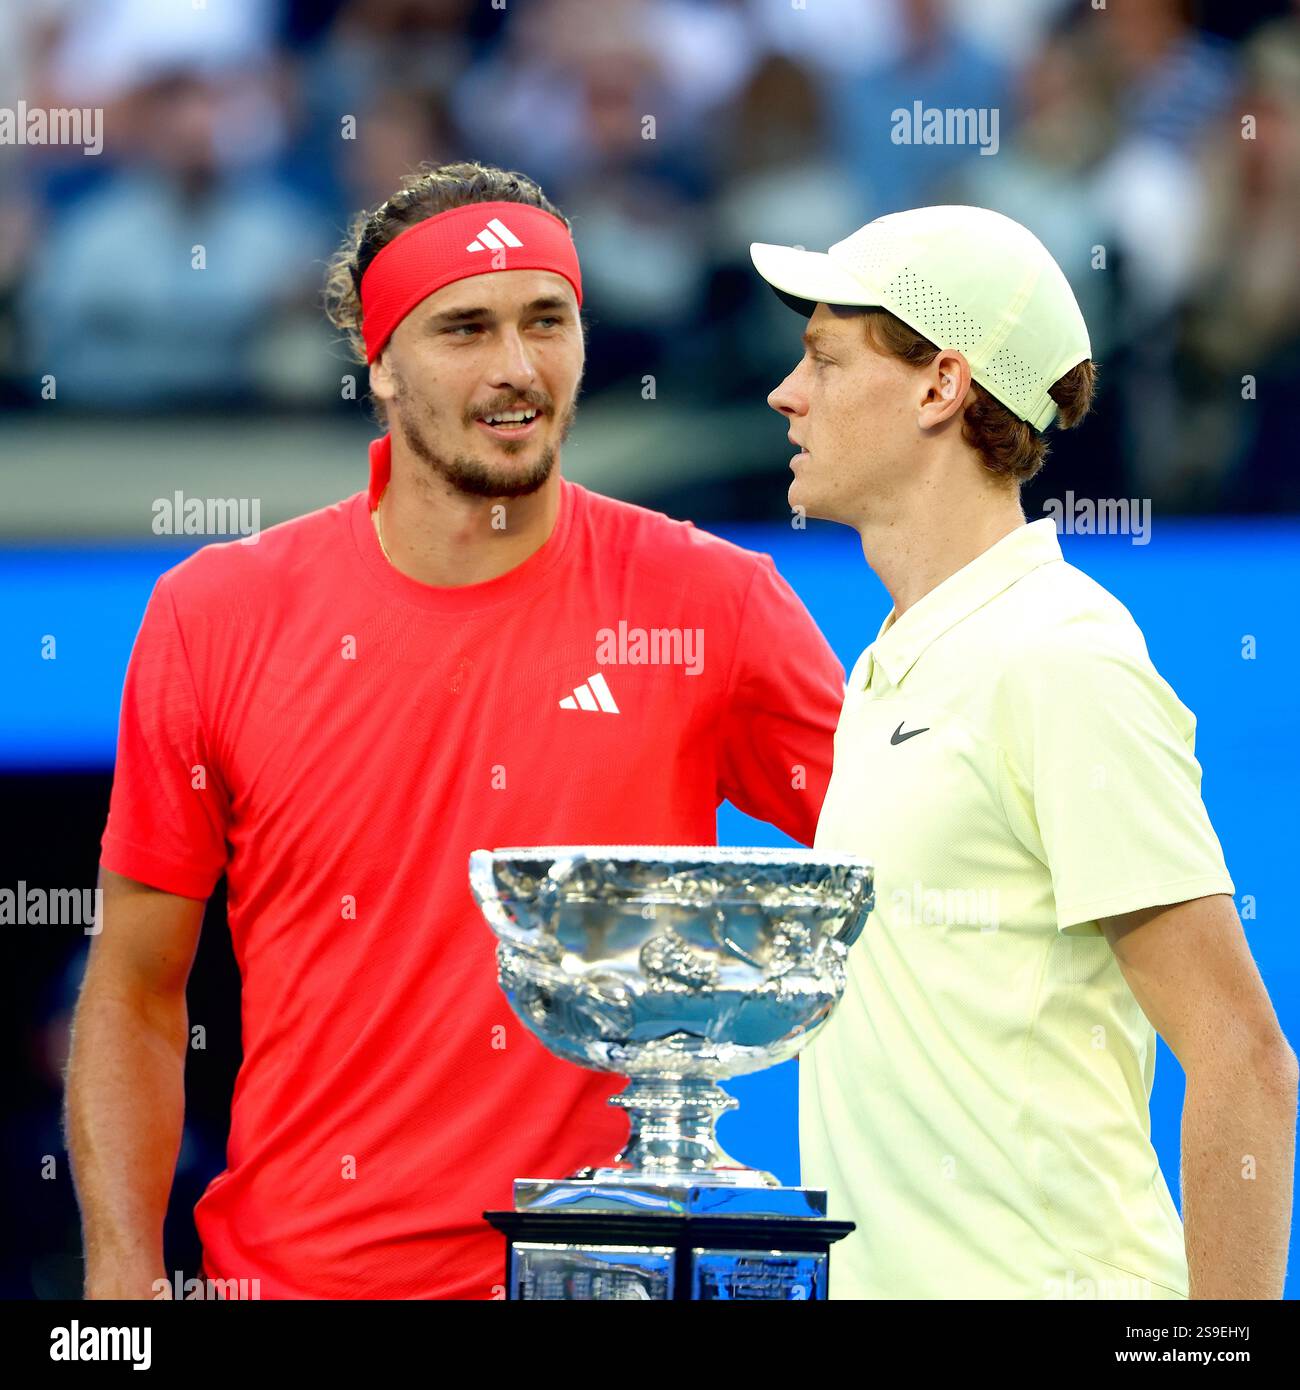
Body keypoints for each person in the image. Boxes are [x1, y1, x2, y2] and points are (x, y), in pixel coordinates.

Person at [64, 161, 846, 1301]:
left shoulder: (710, 602)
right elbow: (137, 986)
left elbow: (905, 861)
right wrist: (120, 1285)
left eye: (546, 322)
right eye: (464, 329)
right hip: (295, 1282)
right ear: (378, 364)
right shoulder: (214, 614)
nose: (516, 368)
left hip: (604, 1283)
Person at [749, 204, 1297, 1300]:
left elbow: (1243, 1059)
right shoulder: (895, 662)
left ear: (939, 386)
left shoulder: (1057, 657)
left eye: (822, 356)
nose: (785, 392)